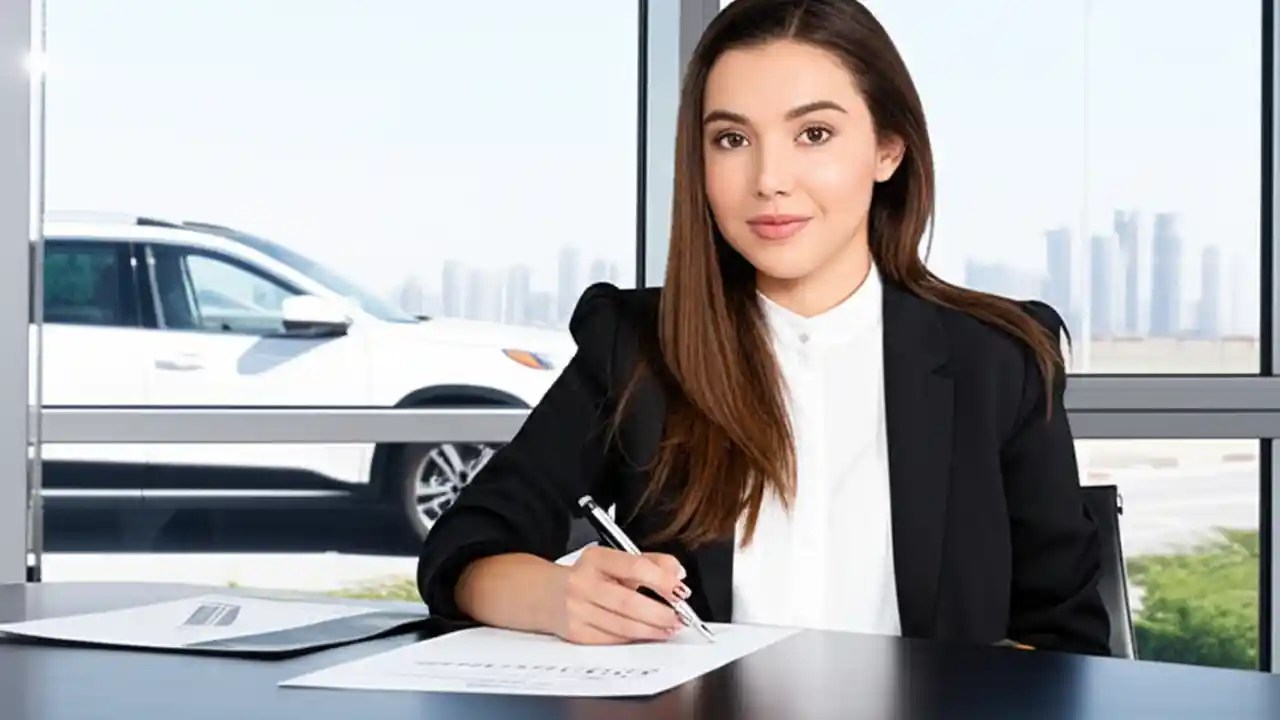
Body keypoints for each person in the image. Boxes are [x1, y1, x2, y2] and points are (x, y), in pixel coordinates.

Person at [417, 0, 1111, 655]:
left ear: (887, 150)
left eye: (814, 134)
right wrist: (558, 596)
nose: (768, 178)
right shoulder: (635, 345)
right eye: (731, 139)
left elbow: (1066, 641)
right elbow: (465, 550)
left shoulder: (998, 360)